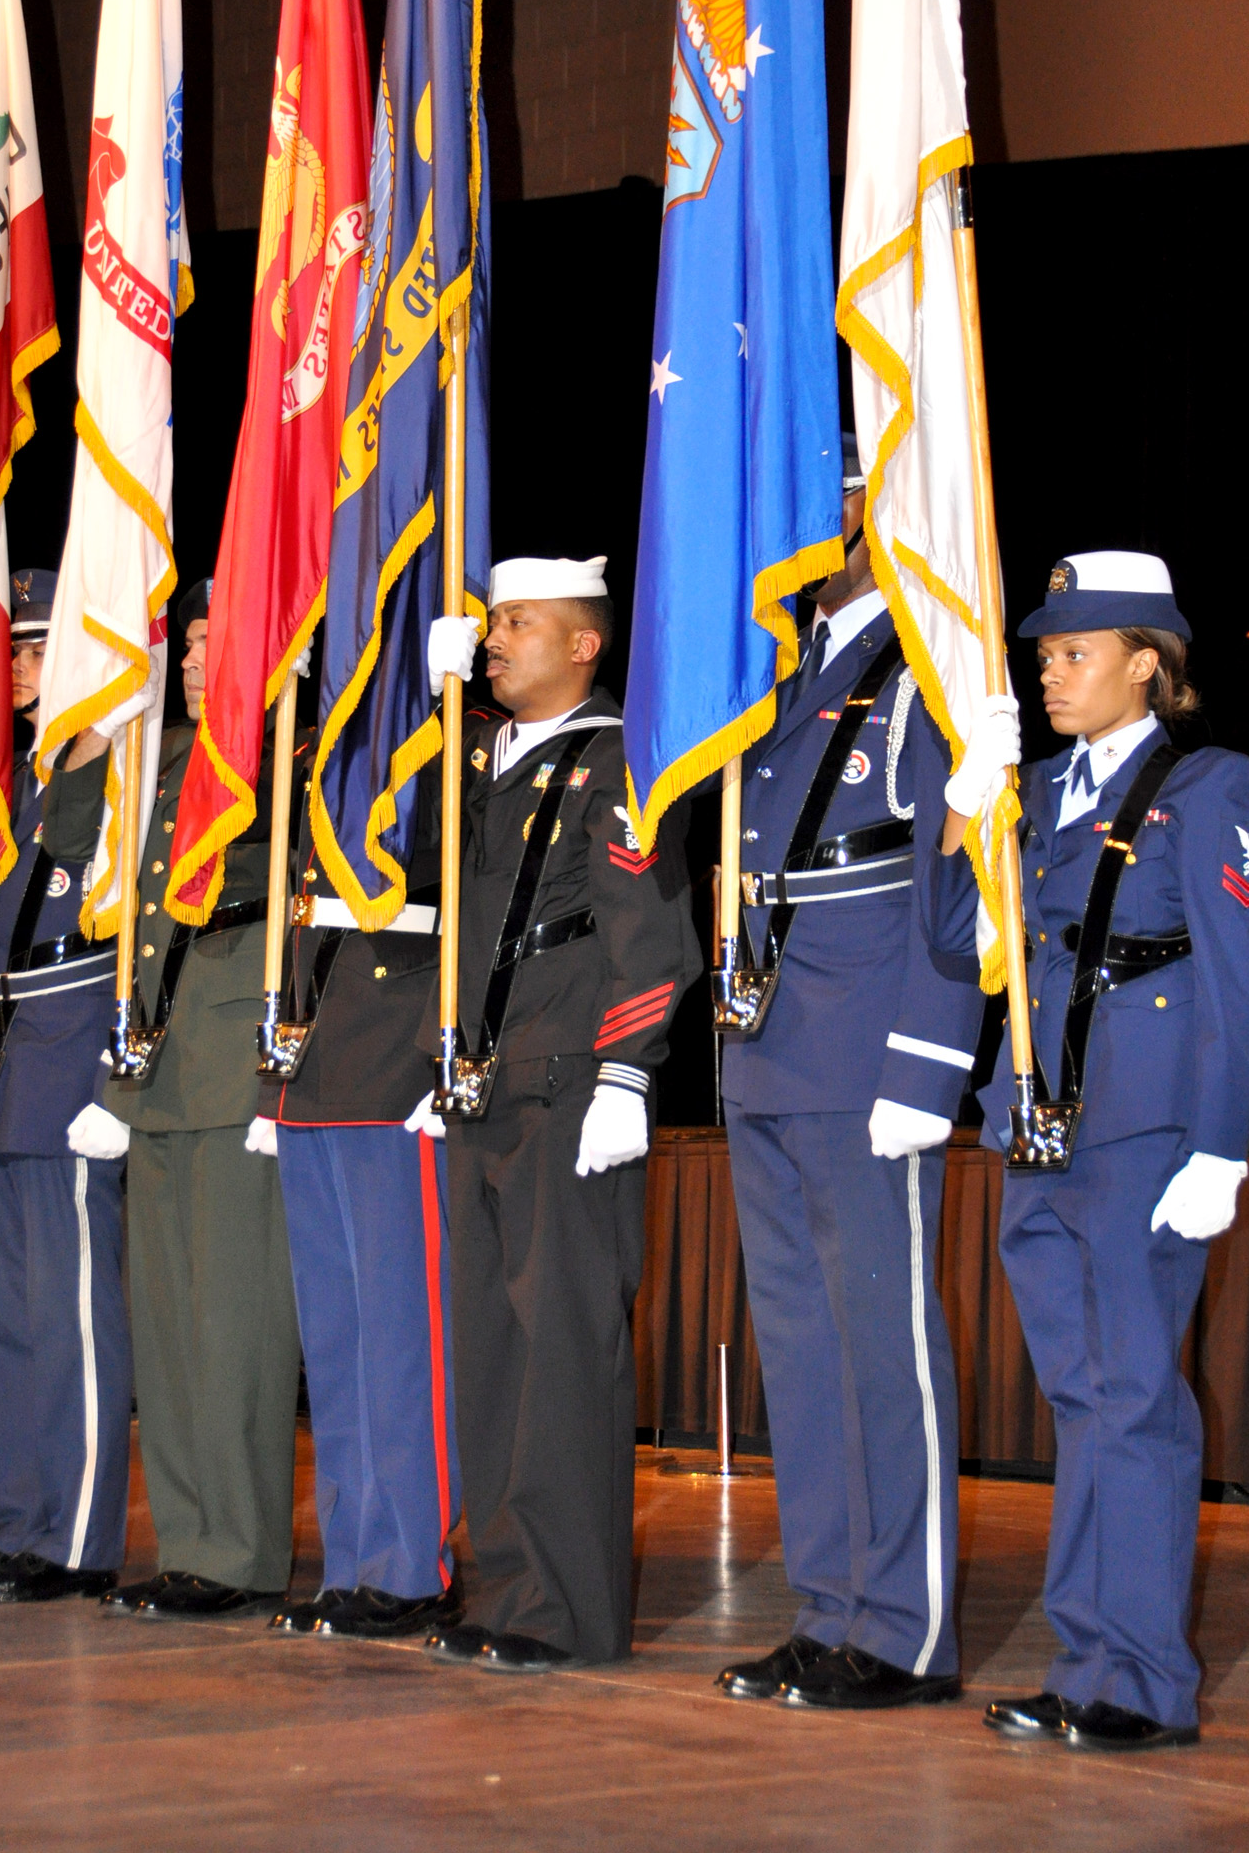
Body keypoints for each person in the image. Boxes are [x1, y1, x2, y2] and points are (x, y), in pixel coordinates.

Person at [931, 550, 1249, 1752]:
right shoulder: (1031, 790)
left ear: (1148, 663)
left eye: (1075, 651)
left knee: (1132, 1399)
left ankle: (1139, 1682)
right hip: (1037, 1128)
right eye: (1044, 654)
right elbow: (950, 943)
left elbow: (1238, 979)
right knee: (1081, 1398)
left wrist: (1220, 1147)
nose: (1050, 670)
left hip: (1143, 1128)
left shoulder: (1211, 784)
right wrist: (968, 807)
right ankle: (1090, 1660)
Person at [711, 438, 985, 1712]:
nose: (814, 526)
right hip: (767, 1046)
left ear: (891, 513)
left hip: (868, 1043)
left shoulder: (928, 661)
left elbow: (953, 871)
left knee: (884, 1348)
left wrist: (927, 1061)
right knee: (802, 1349)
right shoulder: (772, 673)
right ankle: (829, 1609)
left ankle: (904, 1631)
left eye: (840, 501)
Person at [421, 555, 702, 1671]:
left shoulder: (618, 758)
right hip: (478, 1079)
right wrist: (427, 718)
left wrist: (629, 1071)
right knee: (486, 1352)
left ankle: (564, 1609)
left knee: (561, 1355)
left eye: (518, 625)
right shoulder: (477, 757)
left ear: (583, 644)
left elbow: (649, 927)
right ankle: (502, 1586)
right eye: (491, 624)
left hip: (565, 1083)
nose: (494, 640)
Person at [0, 566, 133, 1606]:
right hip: (2, 1065)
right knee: (6, 1317)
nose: (9, 667)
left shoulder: (109, 780)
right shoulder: (7, 783)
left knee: (70, 1319)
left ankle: (77, 1537)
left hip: (69, 1060)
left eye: (34, 649)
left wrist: (109, 1079)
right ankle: (19, 1524)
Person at [98, 579, 304, 1622]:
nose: (189, 659)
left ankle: (237, 1550)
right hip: (161, 1076)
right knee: (168, 1336)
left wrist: (283, 1078)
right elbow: (119, 904)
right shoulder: (172, 763)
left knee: (235, 1335)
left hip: (237, 1077)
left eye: (216, 644)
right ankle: (188, 1539)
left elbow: (298, 919)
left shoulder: (297, 762)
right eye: (187, 641)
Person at [262, 750, 463, 1642]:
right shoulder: (326, 744)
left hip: (392, 1065)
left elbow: (473, 900)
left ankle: (412, 1563)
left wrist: (443, 1050)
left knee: (402, 1340)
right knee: (338, 1346)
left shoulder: (449, 733)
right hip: (315, 1062)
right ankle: (353, 1558)